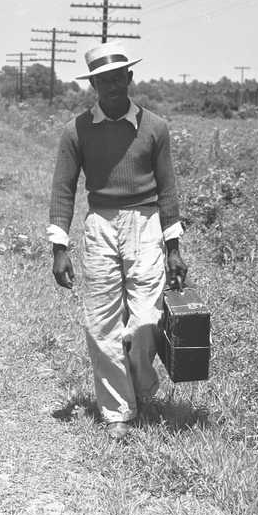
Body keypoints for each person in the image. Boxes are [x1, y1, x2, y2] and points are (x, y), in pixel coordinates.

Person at [48, 41, 188, 441]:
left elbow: (168, 190)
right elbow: (63, 190)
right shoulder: (76, 131)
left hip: (145, 226)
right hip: (100, 226)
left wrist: (174, 248)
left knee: (146, 319)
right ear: (92, 85)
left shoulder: (155, 127)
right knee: (101, 322)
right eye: (102, 80)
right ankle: (118, 412)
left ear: (129, 78)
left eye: (117, 78)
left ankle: (143, 386)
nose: (111, 86)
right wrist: (60, 248)